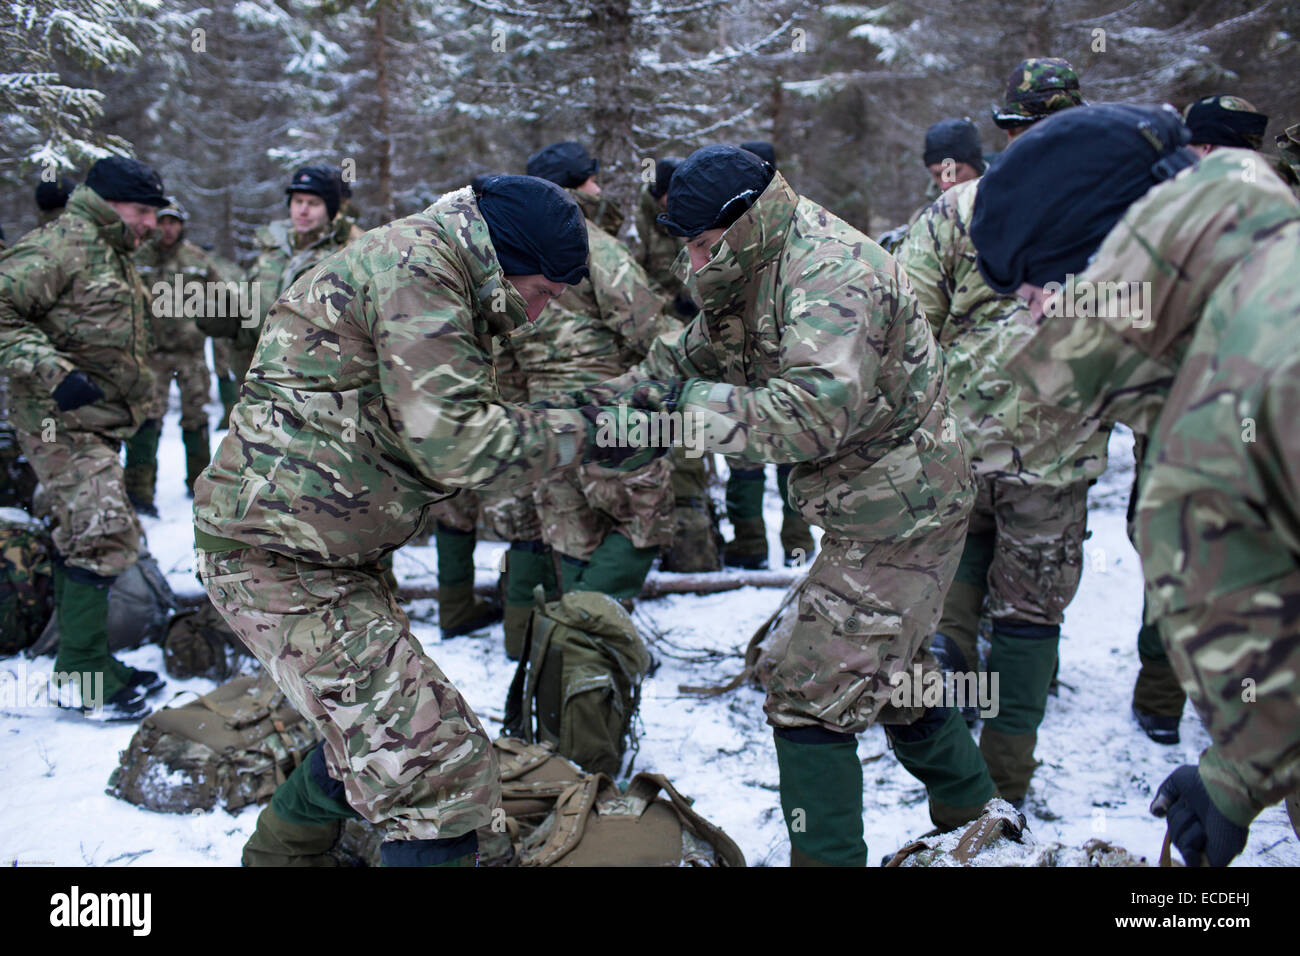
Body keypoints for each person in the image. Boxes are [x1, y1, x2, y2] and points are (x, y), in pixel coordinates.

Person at [193, 175, 663, 867]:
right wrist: (591, 434)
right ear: (510, 260)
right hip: (278, 561)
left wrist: (602, 407)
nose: (537, 316)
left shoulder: (444, 271)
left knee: (384, 746)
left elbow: (462, 417)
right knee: (432, 775)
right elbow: (459, 443)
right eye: (541, 294)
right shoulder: (418, 273)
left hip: (325, 555)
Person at [576, 145, 995, 865]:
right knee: (891, 673)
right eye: (689, 248)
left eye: (706, 246)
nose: (697, 262)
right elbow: (702, 348)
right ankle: (975, 812)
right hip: (867, 501)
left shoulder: (832, 275)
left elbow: (809, 415)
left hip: (905, 511)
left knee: (809, 696)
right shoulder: (751, 258)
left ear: (742, 222)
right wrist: (630, 401)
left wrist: (679, 414)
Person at [970, 102, 1300, 866]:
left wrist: (1243, 768)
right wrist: (1236, 778)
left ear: (1105, 260)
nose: (1035, 317)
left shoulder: (1261, 360)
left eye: (1035, 290)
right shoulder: (1255, 288)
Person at [897, 55, 1106, 806]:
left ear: (1008, 128)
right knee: (1028, 619)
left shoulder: (958, 209)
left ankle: (954, 760)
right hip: (1054, 455)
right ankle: (1005, 780)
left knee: (957, 587)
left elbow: (907, 323)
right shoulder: (1124, 212)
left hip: (961, 441)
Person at [0, 156, 171, 720]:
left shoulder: (113, 252)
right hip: (57, 420)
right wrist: (53, 371)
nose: (150, 223)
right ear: (110, 202)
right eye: (142, 211)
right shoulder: (62, 245)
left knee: (86, 535)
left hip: (96, 424)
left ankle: (85, 660)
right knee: (103, 532)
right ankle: (80, 678)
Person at [199, 165, 357, 389]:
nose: (303, 210)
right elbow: (252, 312)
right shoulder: (271, 251)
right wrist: (223, 316)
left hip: (312, 390)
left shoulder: (346, 256)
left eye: (313, 204)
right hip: (256, 384)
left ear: (330, 209)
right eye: (297, 201)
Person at [126, 203, 225, 513]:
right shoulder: (137, 257)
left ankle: (198, 485)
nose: (168, 228)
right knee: (145, 419)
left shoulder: (196, 259)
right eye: (163, 221)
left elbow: (222, 300)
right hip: (151, 355)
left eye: (174, 223)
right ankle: (139, 490)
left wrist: (216, 337)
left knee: (196, 418)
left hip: (191, 353)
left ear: (182, 226)